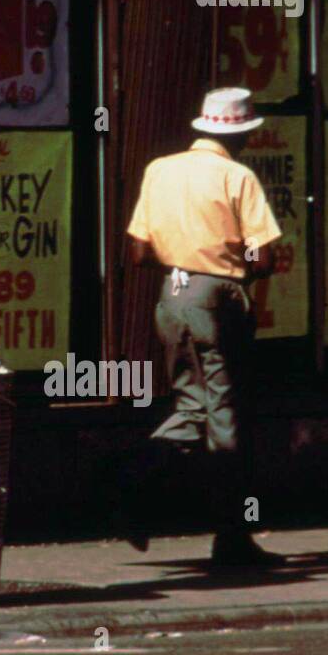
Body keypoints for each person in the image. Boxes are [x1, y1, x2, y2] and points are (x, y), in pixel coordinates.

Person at [126, 87, 282, 569]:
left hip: (171, 298)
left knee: (197, 405)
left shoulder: (159, 170)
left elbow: (138, 251)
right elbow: (264, 254)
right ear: (242, 135)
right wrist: (239, 265)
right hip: (218, 298)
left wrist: (182, 264)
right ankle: (229, 536)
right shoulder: (238, 176)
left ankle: (138, 482)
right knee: (225, 416)